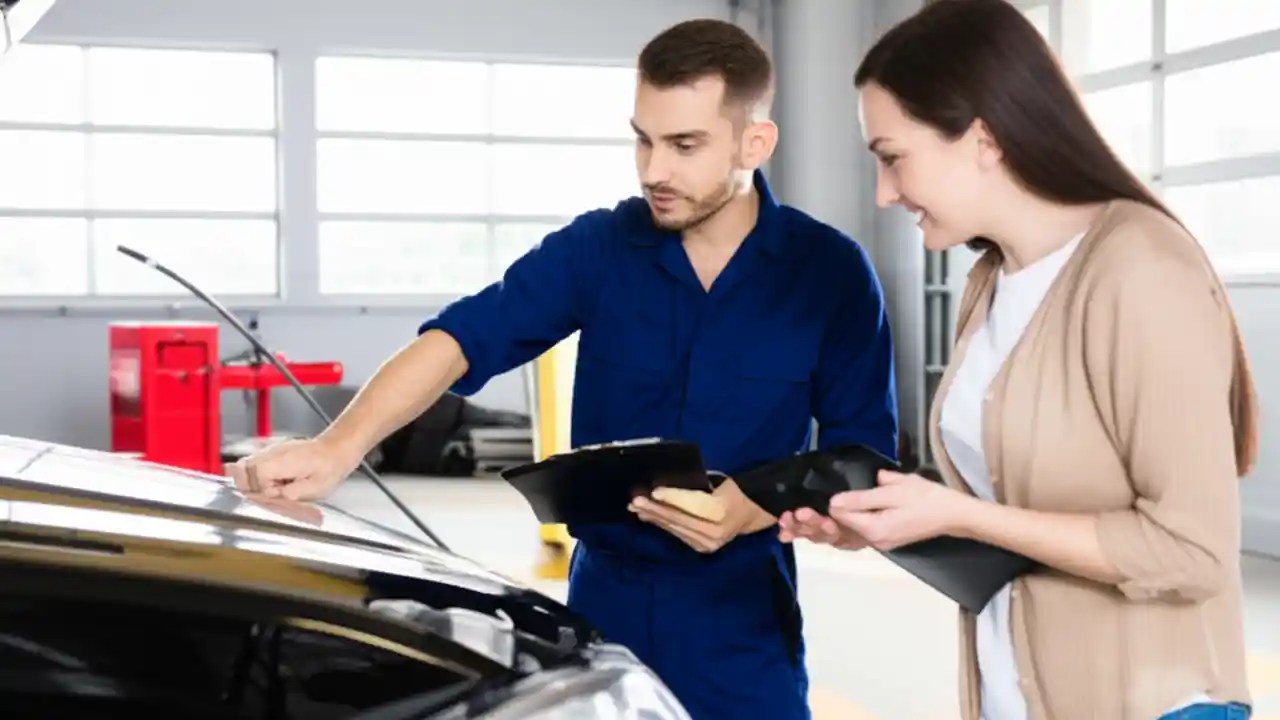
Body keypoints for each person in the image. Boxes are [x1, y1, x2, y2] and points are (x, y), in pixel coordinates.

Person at [227, 17, 899, 720]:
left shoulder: (831, 275)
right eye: (642, 138)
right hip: (604, 610)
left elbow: (859, 451)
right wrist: (340, 446)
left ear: (754, 143)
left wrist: (750, 508)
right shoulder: (599, 249)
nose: (652, 170)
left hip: (745, 627)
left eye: (684, 145)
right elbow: (462, 337)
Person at [779, 2, 1259, 719]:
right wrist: (893, 523)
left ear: (982, 138)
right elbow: (1014, 506)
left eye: (892, 156)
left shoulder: (1141, 270)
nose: (883, 192)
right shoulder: (991, 281)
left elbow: (1191, 550)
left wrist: (963, 516)